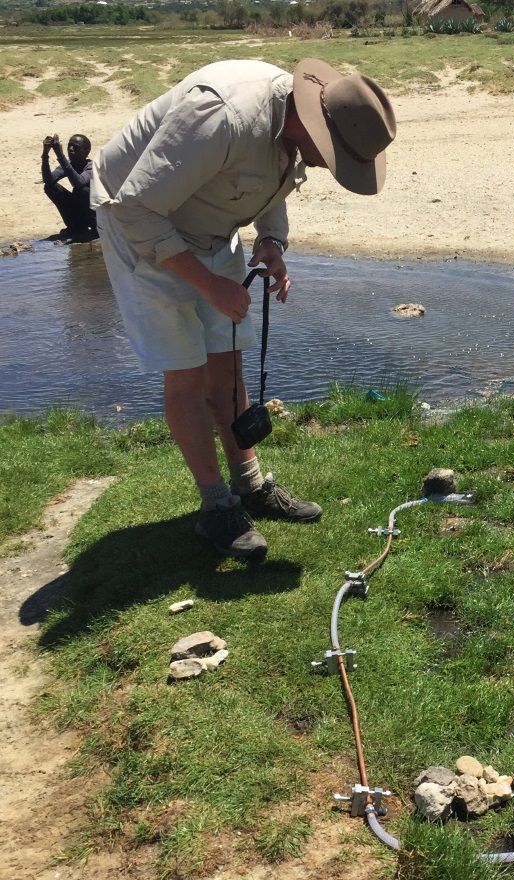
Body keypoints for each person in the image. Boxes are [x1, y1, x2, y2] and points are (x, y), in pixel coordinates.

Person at [92, 59, 396, 561]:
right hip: (139, 225)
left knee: (227, 363)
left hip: (207, 223)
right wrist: (209, 283)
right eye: (333, 156)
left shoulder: (296, 123)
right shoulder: (220, 115)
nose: (325, 166)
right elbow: (136, 208)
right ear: (314, 122)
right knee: (187, 372)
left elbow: (271, 180)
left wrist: (272, 240)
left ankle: (251, 486)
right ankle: (216, 508)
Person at [42, 132, 97, 240]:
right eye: (69, 146)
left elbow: (79, 182)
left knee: (80, 191)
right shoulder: (68, 164)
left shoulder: (92, 167)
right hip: (80, 214)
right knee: (50, 187)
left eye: (76, 147)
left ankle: (95, 229)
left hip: (96, 215)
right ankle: (76, 226)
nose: (71, 149)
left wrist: (60, 155)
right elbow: (48, 180)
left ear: (87, 151)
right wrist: (45, 154)